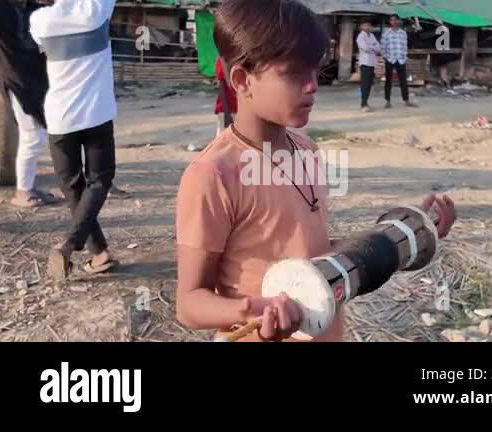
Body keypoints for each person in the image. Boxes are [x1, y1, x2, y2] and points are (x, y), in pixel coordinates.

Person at [175, 0, 456, 342]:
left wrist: (409, 232)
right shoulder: (213, 175)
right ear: (242, 80)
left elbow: (316, 253)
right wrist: (257, 309)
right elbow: (189, 304)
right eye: (293, 73)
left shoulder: (307, 150)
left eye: (314, 71)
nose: (311, 86)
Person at [30, 0, 119, 278]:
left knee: (74, 187)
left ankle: (99, 253)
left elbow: (42, 46)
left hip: (60, 118)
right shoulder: (97, 8)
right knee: (99, 179)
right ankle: (71, 242)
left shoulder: (41, 20)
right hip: (96, 115)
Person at [0, 0, 57, 207]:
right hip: (18, 82)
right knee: (33, 137)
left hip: (38, 83)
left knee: (36, 136)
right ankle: (23, 191)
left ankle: (27, 187)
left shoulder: (36, 10)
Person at [381, 14, 418, 108]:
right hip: (390, 59)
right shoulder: (386, 33)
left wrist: (404, 57)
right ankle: (387, 101)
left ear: (398, 21)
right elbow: (383, 47)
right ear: (390, 22)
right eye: (392, 20)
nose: (394, 22)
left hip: (401, 60)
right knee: (388, 81)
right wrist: (385, 57)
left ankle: (406, 101)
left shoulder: (403, 33)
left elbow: (405, 46)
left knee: (403, 81)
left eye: (395, 20)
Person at [356, 19, 381, 112]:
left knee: (369, 83)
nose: (367, 27)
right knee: (365, 84)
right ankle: (363, 104)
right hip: (365, 63)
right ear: (361, 27)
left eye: (369, 25)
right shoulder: (361, 36)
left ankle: (366, 103)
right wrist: (373, 47)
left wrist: (373, 48)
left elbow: (378, 48)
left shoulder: (372, 35)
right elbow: (365, 48)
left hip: (372, 63)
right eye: (365, 25)